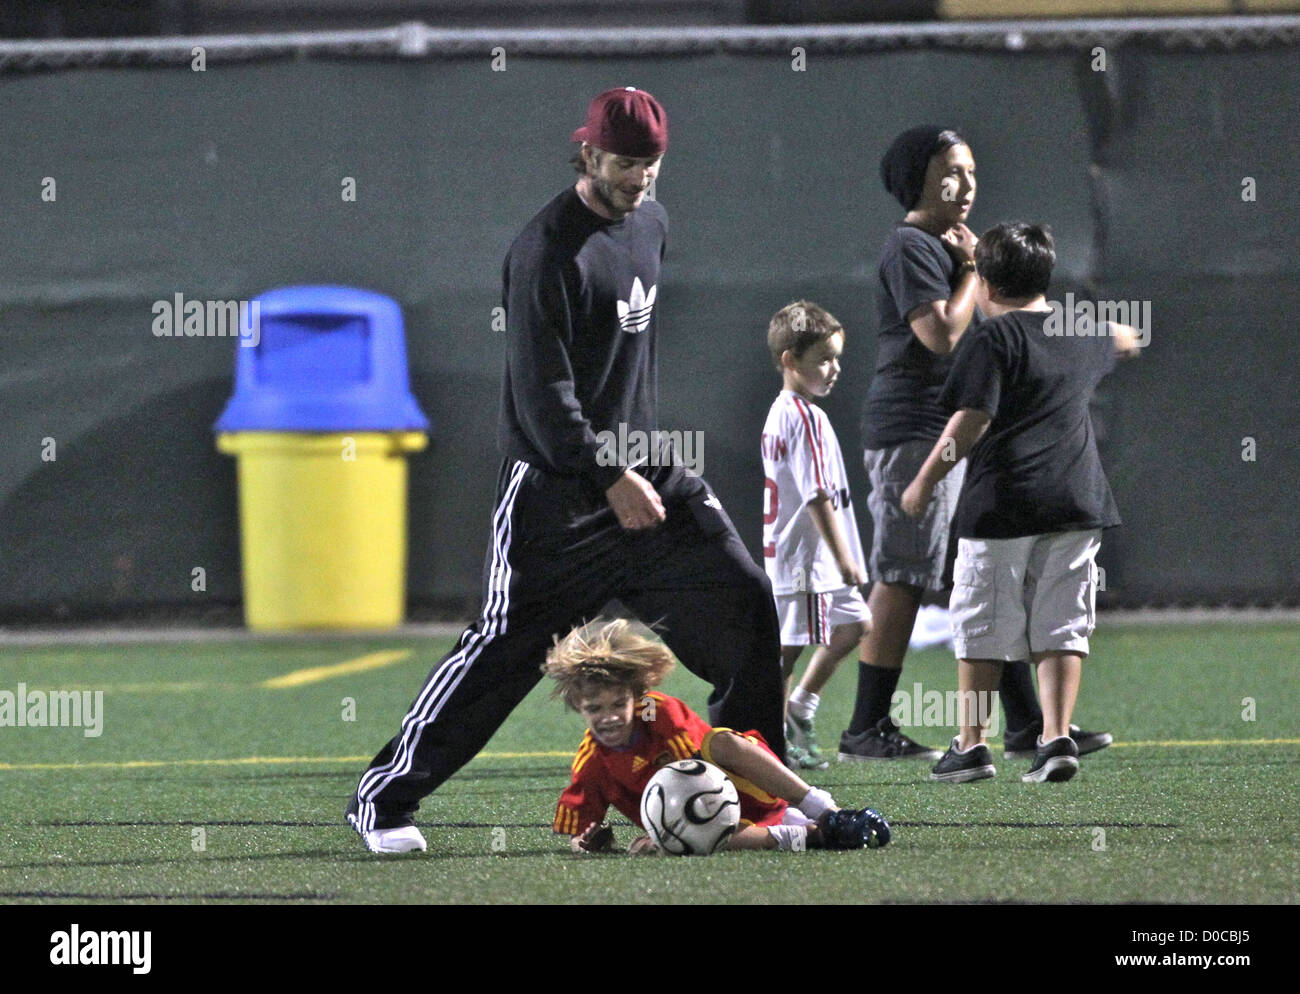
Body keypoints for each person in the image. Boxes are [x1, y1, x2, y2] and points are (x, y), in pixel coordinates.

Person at [346, 87, 786, 854]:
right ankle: (382, 800)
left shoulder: (651, 220)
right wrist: (609, 473)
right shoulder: (546, 252)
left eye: (651, 164)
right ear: (586, 154)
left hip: (646, 472)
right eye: (624, 163)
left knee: (744, 601)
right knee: (502, 652)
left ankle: (758, 798)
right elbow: (542, 396)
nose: (639, 178)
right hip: (560, 491)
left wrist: (634, 464)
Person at [844, 125, 1112, 764]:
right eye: (949, 172)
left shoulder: (944, 242)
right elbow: (939, 334)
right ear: (917, 179)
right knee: (904, 573)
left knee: (985, 572)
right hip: (915, 427)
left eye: (969, 171)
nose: (964, 185)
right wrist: (970, 270)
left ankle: (1027, 726)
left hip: (944, 428)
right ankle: (865, 725)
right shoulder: (913, 243)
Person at [900, 222, 1137, 782]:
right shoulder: (1081, 332)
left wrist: (924, 481)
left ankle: (971, 745)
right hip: (1077, 502)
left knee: (982, 626)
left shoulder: (991, 340)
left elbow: (971, 419)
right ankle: (1055, 739)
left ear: (983, 280)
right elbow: (1128, 338)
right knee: (1062, 626)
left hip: (1003, 506)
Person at [545, 618, 890, 852]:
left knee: (721, 741)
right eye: (595, 708)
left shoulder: (655, 713)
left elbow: (698, 777)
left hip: (750, 796)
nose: (609, 718)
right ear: (579, 707)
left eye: (619, 703)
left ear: (635, 696)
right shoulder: (593, 763)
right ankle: (807, 837)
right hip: (721, 829)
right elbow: (579, 835)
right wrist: (593, 842)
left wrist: (664, 838)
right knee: (692, 824)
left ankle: (824, 809)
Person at [760, 301, 871, 770]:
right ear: (789, 360)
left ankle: (798, 710)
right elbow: (816, 495)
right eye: (823, 359)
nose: (834, 369)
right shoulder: (802, 416)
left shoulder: (790, 411)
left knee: (854, 626)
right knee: (784, 653)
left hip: (813, 560)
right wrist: (844, 555)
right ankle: (769, 742)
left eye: (837, 358)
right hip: (806, 560)